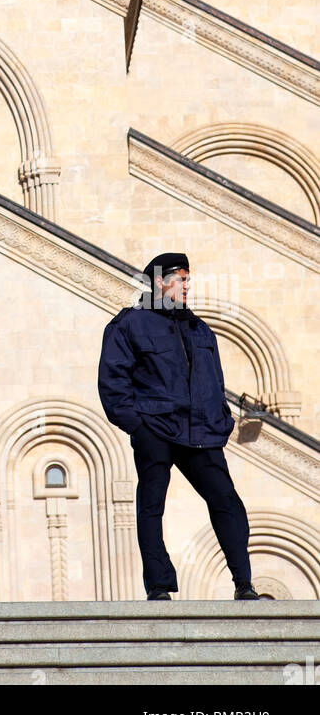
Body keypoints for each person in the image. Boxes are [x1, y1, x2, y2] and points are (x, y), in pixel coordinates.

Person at [97, 252, 260, 601]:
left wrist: (223, 420)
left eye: (188, 279)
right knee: (152, 504)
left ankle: (244, 584)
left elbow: (214, 380)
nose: (188, 285)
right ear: (160, 281)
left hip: (200, 432)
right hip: (154, 427)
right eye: (181, 278)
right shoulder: (130, 324)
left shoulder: (198, 327)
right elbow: (113, 380)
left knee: (227, 502)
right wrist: (137, 426)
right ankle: (158, 585)